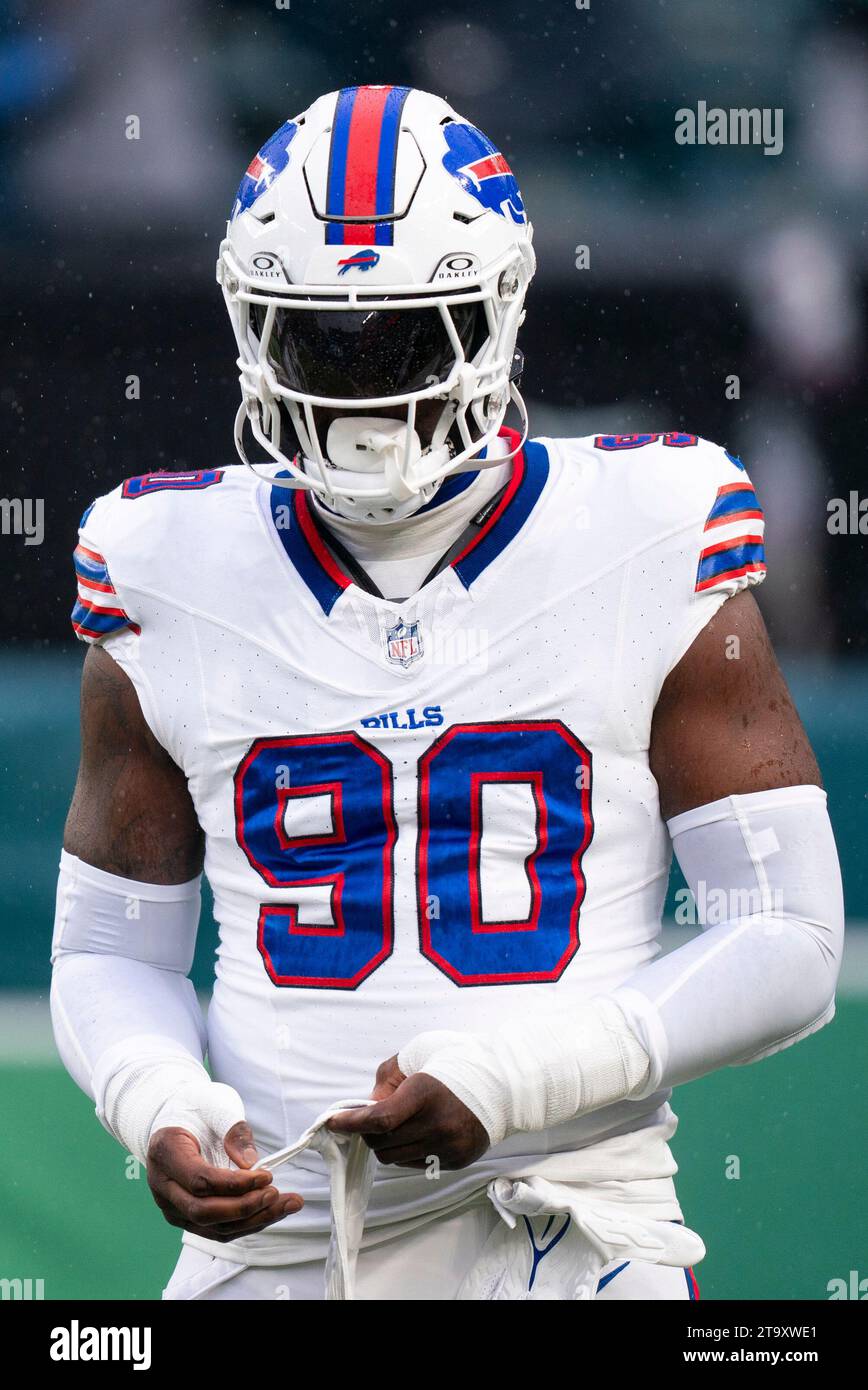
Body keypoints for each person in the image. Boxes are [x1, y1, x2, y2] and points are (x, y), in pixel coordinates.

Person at [51, 85, 844, 1301]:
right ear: (250, 324)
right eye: (322, 339)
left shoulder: (644, 526)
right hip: (275, 1246)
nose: (363, 387)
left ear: (496, 313)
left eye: (406, 337)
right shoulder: (165, 561)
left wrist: (515, 1079)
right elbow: (114, 948)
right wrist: (156, 1097)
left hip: (570, 1228)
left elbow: (786, 935)